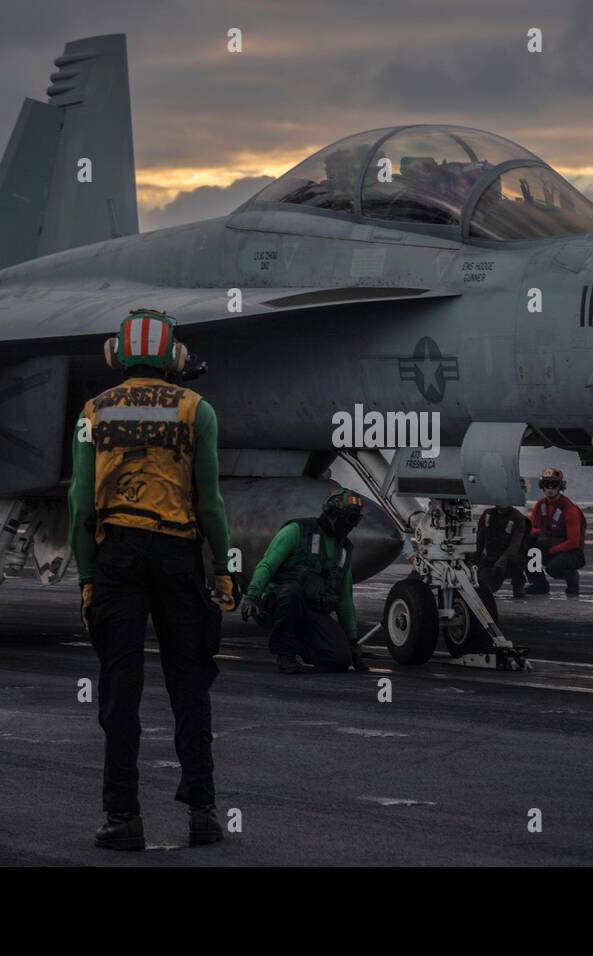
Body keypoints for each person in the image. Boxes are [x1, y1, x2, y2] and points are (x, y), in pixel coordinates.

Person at [68, 308, 235, 851]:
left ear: (117, 354)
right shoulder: (196, 409)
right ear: (175, 356)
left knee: (121, 691)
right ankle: (204, 814)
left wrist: (88, 579)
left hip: (117, 554)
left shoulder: (93, 411)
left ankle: (122, 819)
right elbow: (211, 503)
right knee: (189, 685)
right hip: (177, 554)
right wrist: (226, 569)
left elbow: (78, 506)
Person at [239, 489, 369, 674]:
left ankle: (305, 647)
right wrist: (252, 595)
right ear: (333, 513)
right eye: (349, 518)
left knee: (339, 660)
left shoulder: (344, 550)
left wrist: (352, 641)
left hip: (311, 608)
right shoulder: (297, 531)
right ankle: (285, 654)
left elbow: (344, 598)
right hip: (277, 604)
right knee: (292, 592)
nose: (351, 526)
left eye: (355, 520)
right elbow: (267, 565)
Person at [524, 467, 586, 596]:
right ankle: (539, 584)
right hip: (549, 546)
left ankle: (572, 578)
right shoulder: (540, 505)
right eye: (547, 485)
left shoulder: (570, 510)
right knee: (527, 548)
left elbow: (573, 542)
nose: (550, 489)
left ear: (560, 487)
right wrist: (538, 534)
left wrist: (551, 550)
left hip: (571, 552)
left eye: (554, 485)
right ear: (543, 486)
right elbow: (531, 526)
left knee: (554, 568)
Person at [475, 504, 530, 599]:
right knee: (484, 588)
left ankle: (518, 583)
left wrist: (503, 559)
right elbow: (480, 539)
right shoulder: (488, 514)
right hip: (491, 557)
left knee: (517, 560)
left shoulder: (518, 517)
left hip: (509, 557)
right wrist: (475, 560)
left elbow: (515, 544)